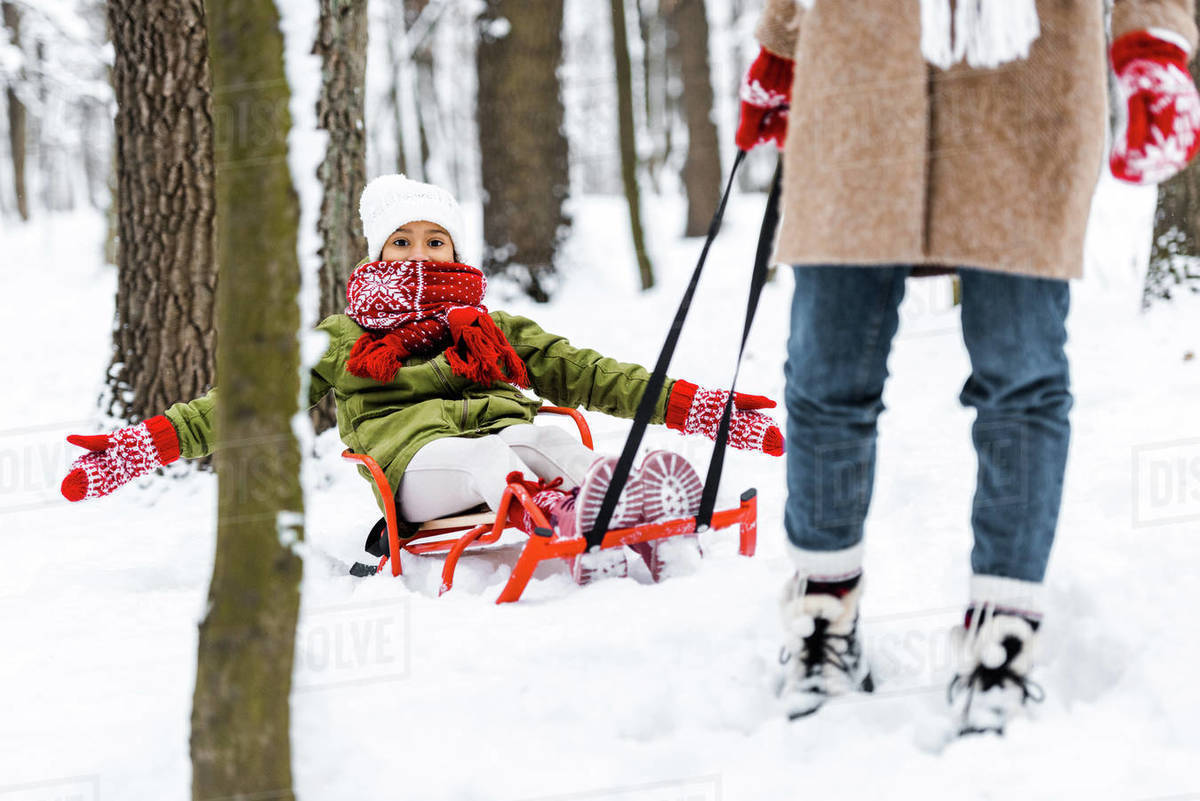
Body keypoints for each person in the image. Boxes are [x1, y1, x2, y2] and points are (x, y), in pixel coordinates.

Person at [737, 0, 1200, 732]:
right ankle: (824, 613)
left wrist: (1155, 41)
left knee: (1022, 375)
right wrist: (782, 41)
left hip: (1024, 83)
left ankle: (1003, 634)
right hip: (858, 83)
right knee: (825, 371)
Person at [60, 174, 784, 584]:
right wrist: (141, 445)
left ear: (456, 250)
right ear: (376, 255)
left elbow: (596, 374)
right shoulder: (343, 339)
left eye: (434, 240)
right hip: (418, 473)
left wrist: (707, 410)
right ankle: (560, 512)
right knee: (483, 453)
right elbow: (247, 402)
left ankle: (615, 493)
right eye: (401, 242)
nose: (419, 253)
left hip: (513, 444)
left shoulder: (493, 326)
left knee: (551, 431)